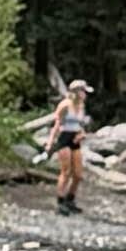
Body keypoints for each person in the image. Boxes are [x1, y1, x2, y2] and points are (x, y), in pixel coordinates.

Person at [47, 76, 91, 217]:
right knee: (66, 172)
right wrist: (50, 143)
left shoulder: (82, 106)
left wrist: (82, 133)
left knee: (78, 174)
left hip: (75, 138)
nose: (85, 94)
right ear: (77, 92)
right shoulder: (65, 105)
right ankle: (60, 202)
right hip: (64, 138)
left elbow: (80, 124)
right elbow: (57, 125)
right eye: (83, 91)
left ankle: (70, 199)